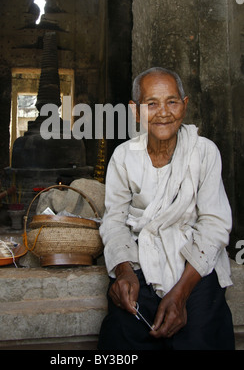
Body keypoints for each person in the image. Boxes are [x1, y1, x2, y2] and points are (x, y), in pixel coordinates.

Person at [98, 67, 235, 350]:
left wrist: (181, 294)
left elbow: (214, 225)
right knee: (122, 334)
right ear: (135, 111)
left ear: (184, 106)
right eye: (151, 104)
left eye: (172, 102)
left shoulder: (204, 151)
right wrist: (124, 272)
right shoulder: (124, 158)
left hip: (194, 265)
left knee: (199, 339)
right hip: (140, 261)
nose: (163, 112)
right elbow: (113, 222)